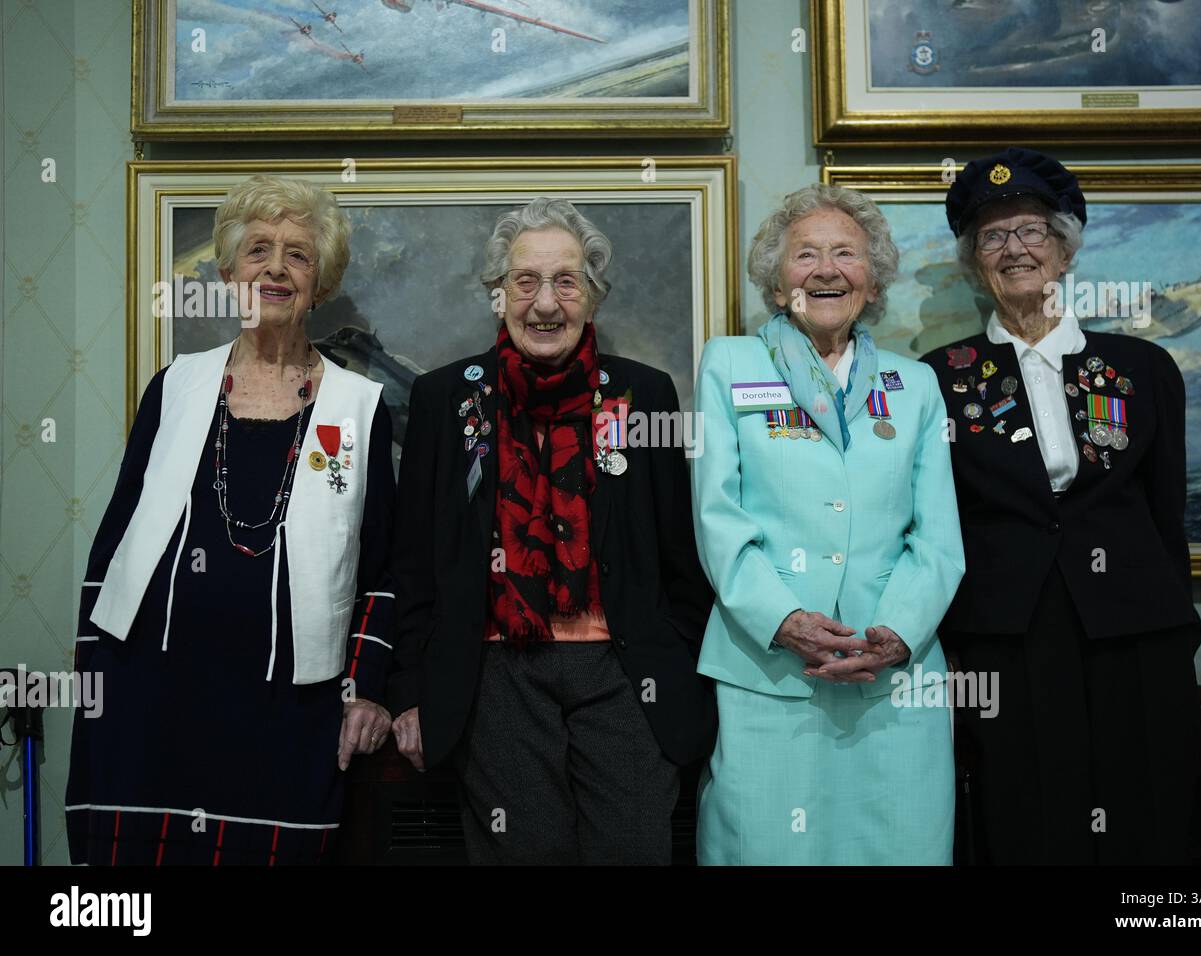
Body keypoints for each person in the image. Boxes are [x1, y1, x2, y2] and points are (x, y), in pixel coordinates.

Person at [65, 176, 394, 865]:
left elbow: (383, 569)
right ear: (227, 272)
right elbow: (116, 536)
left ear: (322, 281)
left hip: (286, 711)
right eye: (258, 250)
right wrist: (89, 666)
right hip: (147, 695)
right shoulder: (177, 385)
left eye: (299, 255)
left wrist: (362, 688)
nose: (276, 267)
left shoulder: (361, 407)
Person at [388, 197, 715, 865]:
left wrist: (680, 663)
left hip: (624, 670)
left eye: (566, 280)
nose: (545, 302)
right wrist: (411, 692)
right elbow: (415, 560)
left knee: (632, 849)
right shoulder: (445, 399)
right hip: (495, 669)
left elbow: (678, 550)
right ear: (498, 293)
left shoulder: (644, 394)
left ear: (592, 294)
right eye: (525, 281)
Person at [920, 147, 1201, 865]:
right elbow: (937, 517)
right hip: (1007, 631)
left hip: (1137, 625)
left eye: (1032, 231)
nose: (1014, 249)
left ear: (1066, 250)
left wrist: (1177, 619)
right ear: (973, 261)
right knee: (1027, 808)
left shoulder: (1143, 369)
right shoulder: (940, 379)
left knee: (1150, 806)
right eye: (992, 236)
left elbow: (1167, 511)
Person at [691, 183, 965, 865]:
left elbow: (937, 539)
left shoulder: (916, 384)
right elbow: (716, 517)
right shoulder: (729, 366)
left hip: (893, 678)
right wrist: (783, 619)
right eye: (805, 254)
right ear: (776, 278)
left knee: (901, 847)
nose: (826, 269)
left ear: (871, 281)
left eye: (846, 253)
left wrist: (897, 633)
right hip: (771, 670)